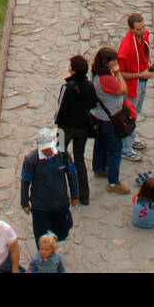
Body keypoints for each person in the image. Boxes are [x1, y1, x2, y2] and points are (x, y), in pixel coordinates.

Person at [20, 127, 79, 250]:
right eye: (45, 148)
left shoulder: (62, 155)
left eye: (49, 147)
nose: (48, 151)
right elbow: (25, 182)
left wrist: (75, 196)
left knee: (64, 230)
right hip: (41, 207)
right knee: (41, 238)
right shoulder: (31, 160)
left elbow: (72, 175)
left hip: (61, 203)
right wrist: (24, 203)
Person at [55, 54, 97, 207]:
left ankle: (60, 191)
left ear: (73, 71)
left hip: (64, 128)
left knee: (59, 157)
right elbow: (92, 103)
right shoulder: (89, 86)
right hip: (83, 128)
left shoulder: (66, 88)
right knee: (79, 160)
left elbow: (60, 109)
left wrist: (57, 121)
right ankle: (83, 195)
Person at [90, 46, 130, 193]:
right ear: (106, 63)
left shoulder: (95, 73)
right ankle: (113, 183)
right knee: (114, 149)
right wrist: (118, 73)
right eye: (112, 60)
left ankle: (99, 168)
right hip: (110, 119)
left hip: (100, 116)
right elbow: (123, 89)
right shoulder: (106, 79)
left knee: (100, 143)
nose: (115, 62)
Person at [117, 12, 154, 160]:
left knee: (135, 113)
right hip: (132, 85)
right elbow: (120, 73)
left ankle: (131, 140)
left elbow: (144, 54)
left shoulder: (144, 35)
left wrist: (148, 67)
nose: (142, 32)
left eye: (143, 27)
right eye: (138, 30)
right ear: (131, 29)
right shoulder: (126, 48)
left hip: (142, 80)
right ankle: (126, 148)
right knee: (129, 115)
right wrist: (139, 75)